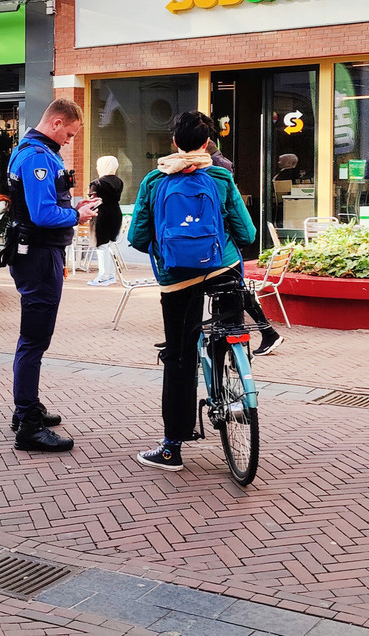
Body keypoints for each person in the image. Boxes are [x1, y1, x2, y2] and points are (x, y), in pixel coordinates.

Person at [129, 111, 256, 471]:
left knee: (179, 357)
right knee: (231, 334)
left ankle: (172, 448)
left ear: (173, 142)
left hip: (177, 279)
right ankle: (234, 393)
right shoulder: (219, 176)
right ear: (207, 143)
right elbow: (246, 235)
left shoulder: (154, 181)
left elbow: (137, 238)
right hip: (223, 270)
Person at [0, 98, 98, 452]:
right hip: (39, 256)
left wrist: (73, 206)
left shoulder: (27, 150)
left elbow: (38, 204)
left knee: (34, 338)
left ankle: (27, 408)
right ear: (56, 123)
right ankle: (27, 423)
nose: (70, 140)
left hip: (34, 253)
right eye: (70, 133)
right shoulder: (39, 156)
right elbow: (42, 214)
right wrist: (77, 216)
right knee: (35, 339)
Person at [86, 155, 123, 287]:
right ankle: (111, 276)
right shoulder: (119, 182)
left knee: (101, 246)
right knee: (110, 246)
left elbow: (92, 202)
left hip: (101, 215)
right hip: (116, 214)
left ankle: (102, 277)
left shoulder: (97, 184)